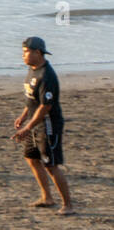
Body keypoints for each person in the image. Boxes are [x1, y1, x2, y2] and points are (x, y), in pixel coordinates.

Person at [12, 37, 74, 215]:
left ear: (37, 53)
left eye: (26, 52)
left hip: (47, 125)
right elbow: (32, 98)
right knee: (31, 158)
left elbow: (45, 107)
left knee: (51, 165)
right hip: (33, 123)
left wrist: (27, 127)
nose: (23, 55)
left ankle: (68, 204)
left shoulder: (46, 76)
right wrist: (23, 116)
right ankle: (47, 197)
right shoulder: (32, 70)